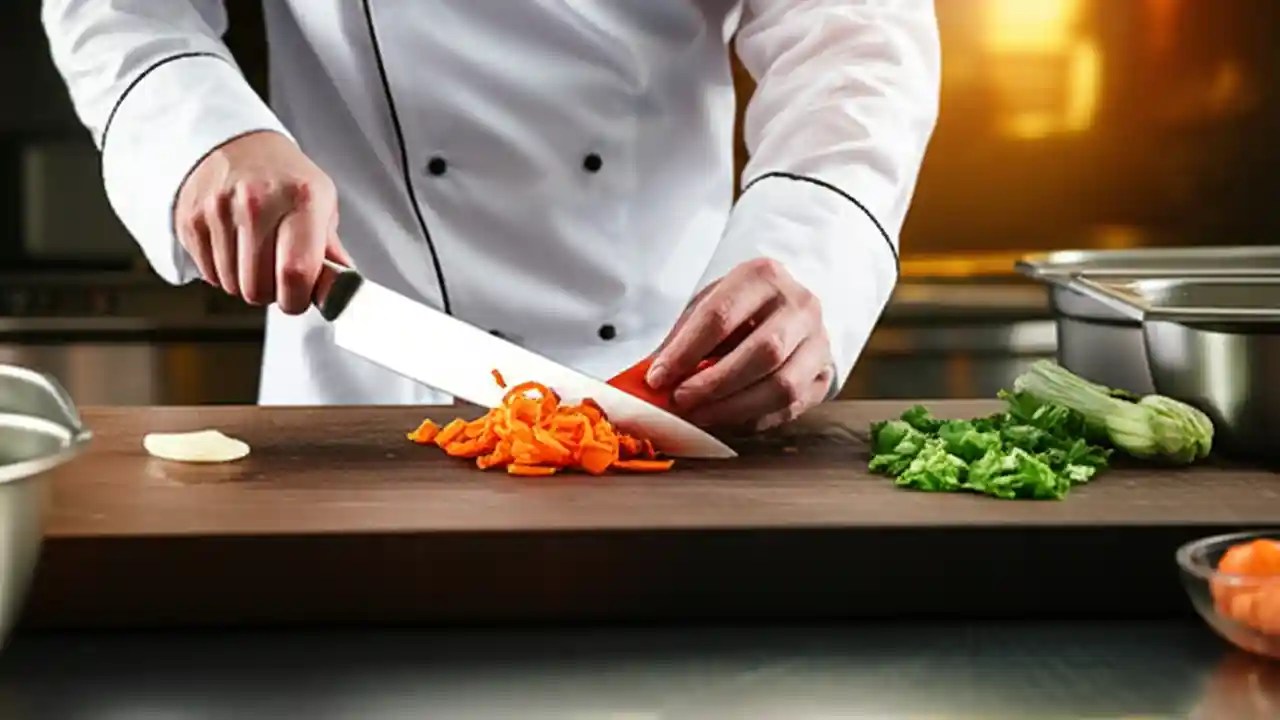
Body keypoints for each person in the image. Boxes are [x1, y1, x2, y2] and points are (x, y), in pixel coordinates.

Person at [42, 1, 939, 431]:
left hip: (679, 381)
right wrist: (206, 133)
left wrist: (808, 255)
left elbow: (856, 38)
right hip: (371, 402)